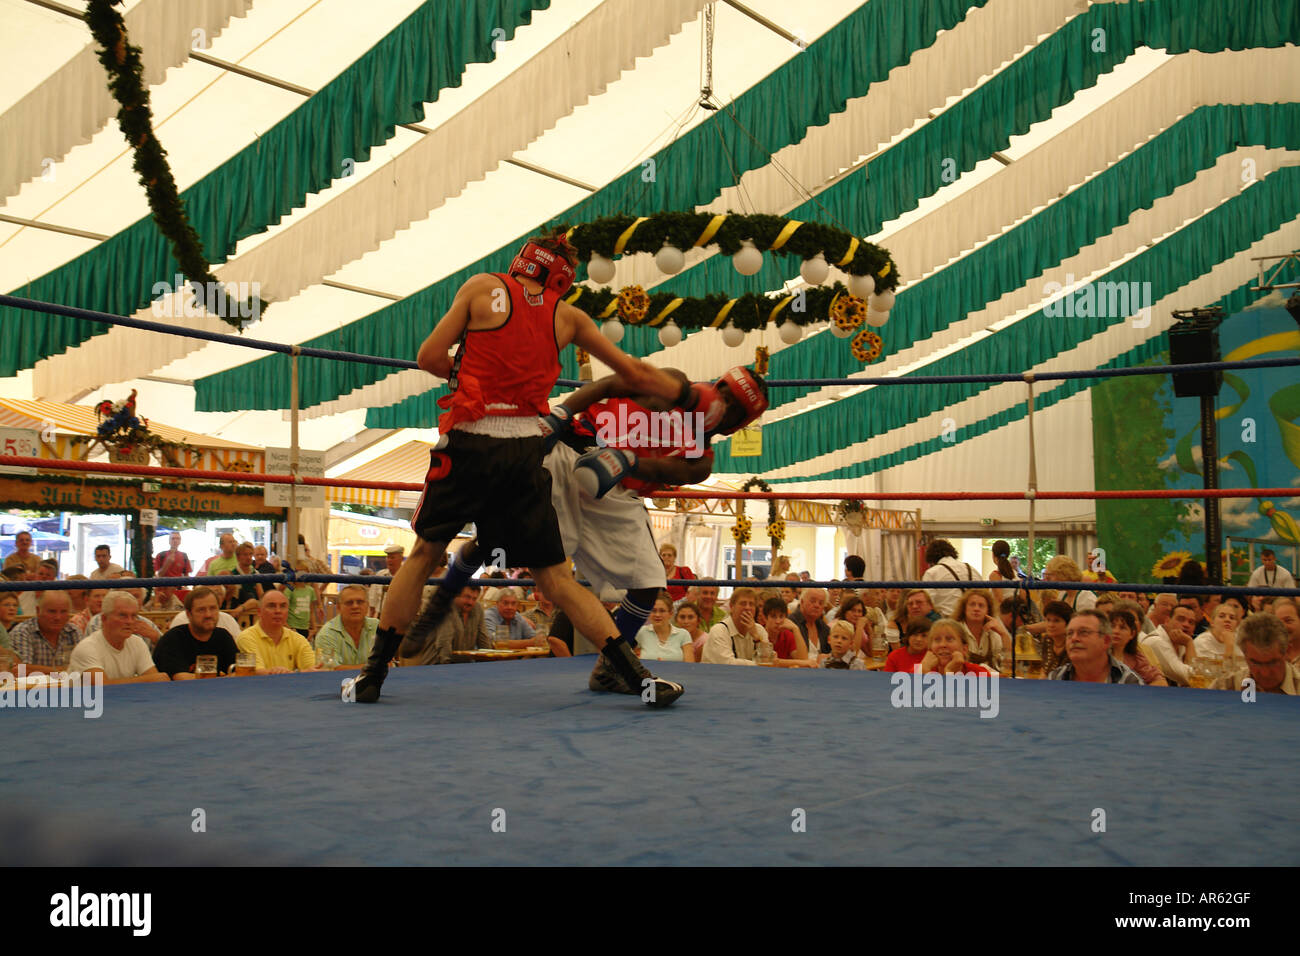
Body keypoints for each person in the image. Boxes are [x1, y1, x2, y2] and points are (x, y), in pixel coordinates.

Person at [344, 230, 693, 706]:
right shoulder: (568, 316)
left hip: (469, 438)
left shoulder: (480, 288)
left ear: (523, 261)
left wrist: (466, 377)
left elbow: (427, 356)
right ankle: (636, 677)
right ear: (563, 280)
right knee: (555, 578)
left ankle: (372, 676)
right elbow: (631, 375)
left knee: (425, 552)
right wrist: (688, 396)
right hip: (528, 448)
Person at [68, 591, 168, 683]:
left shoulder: (137, 642)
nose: (129, 621)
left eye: (133, 616)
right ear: (104, 619)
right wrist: (145, 679)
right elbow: (102, 687)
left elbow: (157, 681)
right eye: (122, 615)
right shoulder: (87, 648)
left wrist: (149, 679)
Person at [152, 586, 239, 679]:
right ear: (189, 614)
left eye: (213, 608)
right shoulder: (173, 638)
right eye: (201, 610)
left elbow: (239, 672)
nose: (208, 615)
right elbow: (180, 678)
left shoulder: (223, 636)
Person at [398, 585, 492, 666]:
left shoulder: (477, 609)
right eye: (467, 597)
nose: (470, 602)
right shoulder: (445, 607)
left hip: (464, 667)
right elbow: (443, 644)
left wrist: (489, 663)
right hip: (436, 667)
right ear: (456, 595)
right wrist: (448, 671)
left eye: (474, 598)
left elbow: (483, 640)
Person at [1047, 609, 1141, 683]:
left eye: (1083, 632)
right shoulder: (1055, 678)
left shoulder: (1129, 682)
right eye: (1070, 633)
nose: (1074, 638)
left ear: (1106, 641)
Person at [236, 590, 315, 674]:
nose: (278, 611)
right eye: (271, 606)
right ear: (259, 612)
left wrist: (287, 673)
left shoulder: (298, 639)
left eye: (283, 606)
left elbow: (313, 670)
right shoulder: (247, 637)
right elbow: (257, 673)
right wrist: (291, 673)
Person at [7, 591, 82, 673]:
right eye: (52, 611)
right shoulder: (22, 632)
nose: (58, 617)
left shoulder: (73, 631)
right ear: (38, 611)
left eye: (63, 612)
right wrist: (62, 670)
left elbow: (83, 666)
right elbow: (21, 670)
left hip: (70, 685)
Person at [1225, 613, 1298, 694]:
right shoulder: (1227, 687)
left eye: (1272, 663)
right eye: (1255, 663)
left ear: (1287, 652)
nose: (1265, 673)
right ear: (1244, 655)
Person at [313, 585, 377, 668]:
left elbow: (388, 664)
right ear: (339, 607)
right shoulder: (326, 634)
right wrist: (375, 668)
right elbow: (331, 670)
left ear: (367, 605)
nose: (355, 606)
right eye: (349, 603)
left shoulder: (378, 627)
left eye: (360, 602)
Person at [701, 588, 767, 665]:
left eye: (751, 604)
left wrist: (756, 637)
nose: (747, 608)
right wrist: (759, 664)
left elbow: (768, 659)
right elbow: (728, 663)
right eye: (743, 603)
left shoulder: (759, 630)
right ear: (732, 607)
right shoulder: (719, 630)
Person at [1107, 603, 1166, 686]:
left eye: (1122, 627)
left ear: (1132, 634)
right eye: (1112, 626)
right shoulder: (1097, 654)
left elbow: (1160, 681)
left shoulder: (1137, 657)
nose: (1116, 631)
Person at [952, 589, 1010, 671]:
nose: (976, 609)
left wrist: (1003, 634)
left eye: (981, 605)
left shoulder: (992, 633)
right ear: (964, 609)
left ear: (988, 610)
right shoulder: (954, 631)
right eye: (972, 604)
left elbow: (1008, 664)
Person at [921, 539, 975, 618]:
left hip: (947, 621)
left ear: (931, 559)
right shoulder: (972, 570)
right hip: (972, 621)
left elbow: (927, 603)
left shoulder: (932, 573)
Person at [635, 593, 694, 662]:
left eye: (662, 611)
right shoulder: (641, 632)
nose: (657, 615)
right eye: (654, 611)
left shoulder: (684, 634)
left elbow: (689, 666)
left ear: (671, 613)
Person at [920, 620, 991, 675]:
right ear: (930, 648)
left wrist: (949, 672)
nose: (942, 645)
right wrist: (924, 672)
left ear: (964, 649)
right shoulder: (919, 670)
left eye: (949, 639)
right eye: (937, 640)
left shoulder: (979, 673)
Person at [367, 544, 406, 618]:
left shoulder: (408, 576)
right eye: (388, 557)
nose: (389, 560)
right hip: (381, 616)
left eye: (392, 557)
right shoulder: (380, 575)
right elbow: (372, 603)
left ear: (401, 559)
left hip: (400, 617)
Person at [789, 588, 830, 657]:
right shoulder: (791, 623)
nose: (817, 605)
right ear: (802, 602)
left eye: (821, 603)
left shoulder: (824, 627)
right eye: (813, 601)